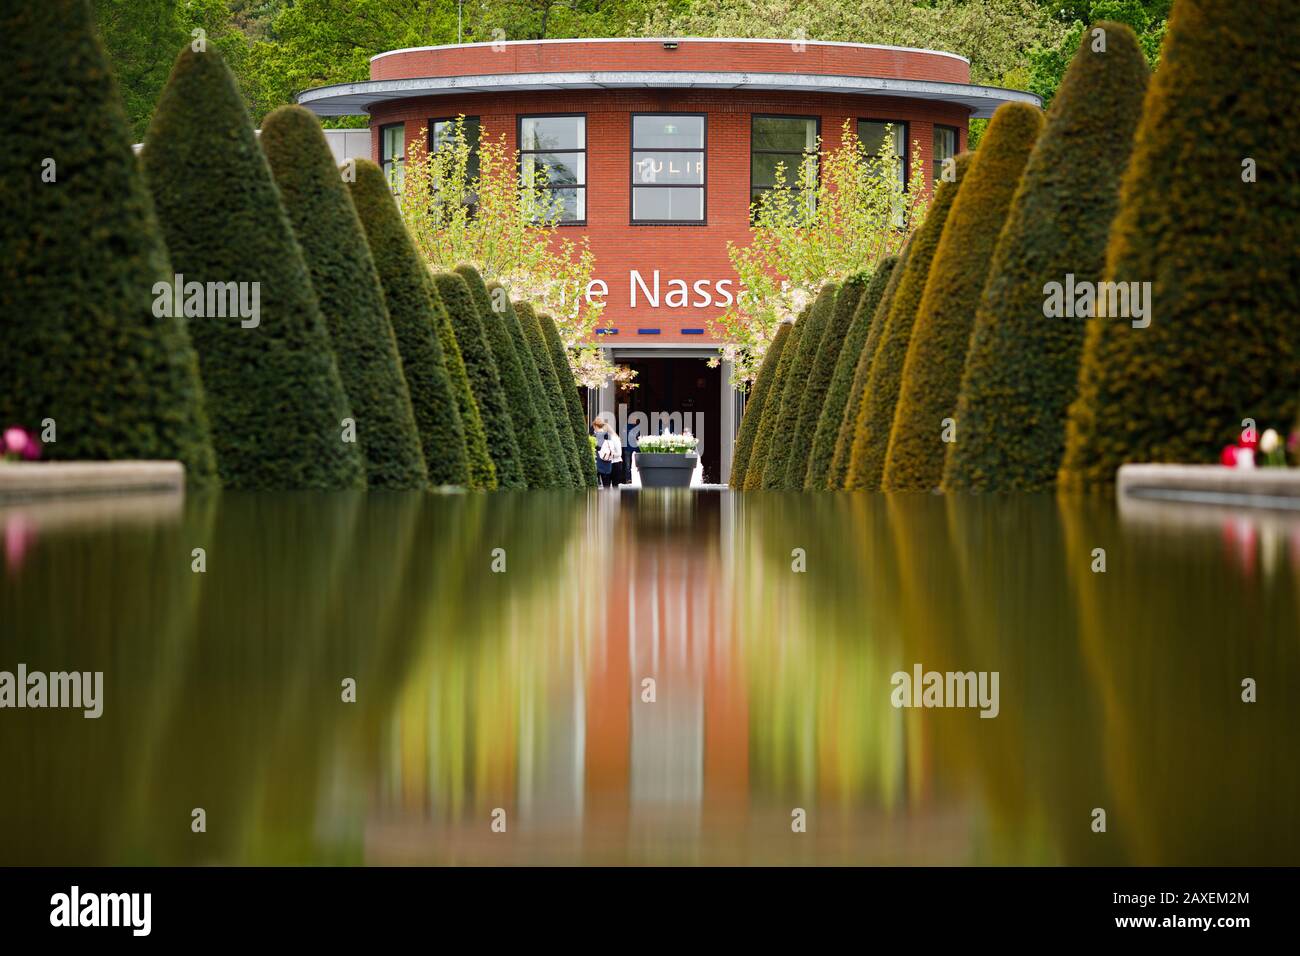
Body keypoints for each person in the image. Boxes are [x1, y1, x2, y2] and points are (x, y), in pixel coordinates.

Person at [592, 415, 622, 489]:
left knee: (613, 486)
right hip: (606, 463)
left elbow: (619, 453)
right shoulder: (599, 437)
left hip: (614, 464)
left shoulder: (614, 438)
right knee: (607, 486)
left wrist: (608, 455)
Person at [620, 417, 641, 485]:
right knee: (628, 465)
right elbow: (623, 437)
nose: (636, 420)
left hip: (636, 448)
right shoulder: (626, 426)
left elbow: (639, 437)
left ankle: (637, 478)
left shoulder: (638, 427)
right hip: (628, 448)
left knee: (637, 465)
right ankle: (628, 479)